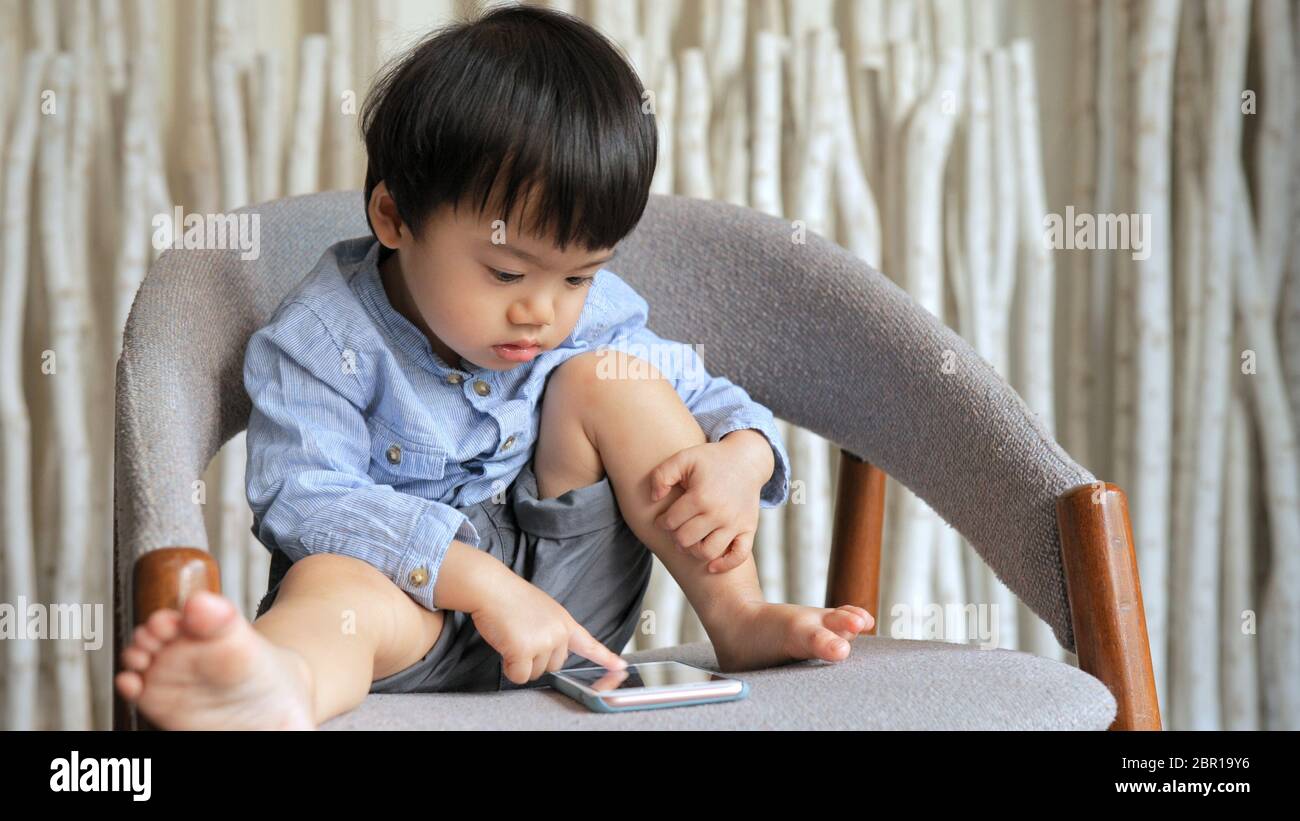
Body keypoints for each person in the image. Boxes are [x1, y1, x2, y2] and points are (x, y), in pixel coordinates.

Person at [114, 5, 873, 730]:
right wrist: (477, 580)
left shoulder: (587, 313)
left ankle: (737, 617)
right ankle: (280, 687)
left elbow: (704, 395)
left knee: (615, 382)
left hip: (571, 610)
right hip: (408, 617)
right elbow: (304, 497)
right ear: (393, 217)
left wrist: (740, 455)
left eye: (576, 277)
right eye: (507, 274)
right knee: (327, 587)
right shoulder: (320, 337)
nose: (541, 312)